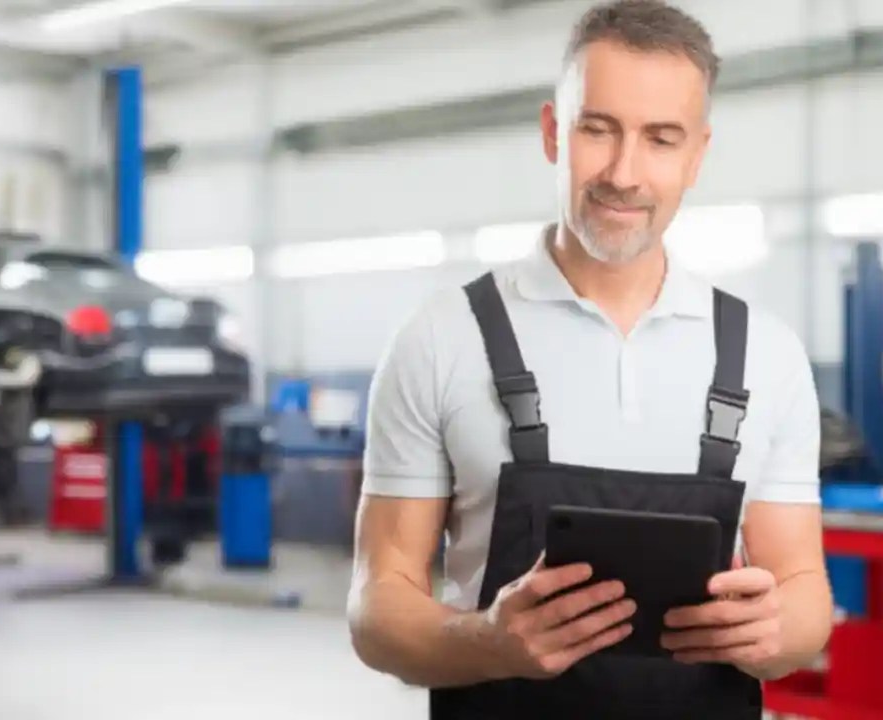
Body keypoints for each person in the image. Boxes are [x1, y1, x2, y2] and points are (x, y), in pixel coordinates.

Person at [345, 1, 833, 718]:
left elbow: (805, 591)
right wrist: (488, 641)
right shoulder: (442, 339)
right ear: (553, 132)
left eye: (661, 139)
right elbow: (376, 607)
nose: (624, 173)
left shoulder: (768, 354)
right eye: (597, 130)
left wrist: (774, 633)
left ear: (697, 155)